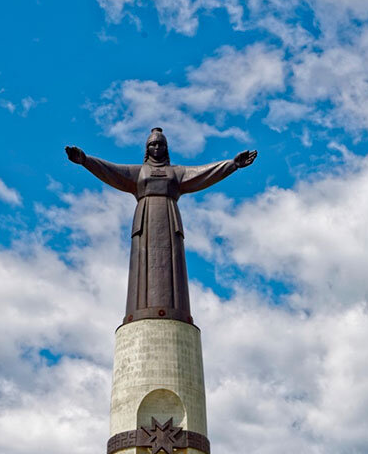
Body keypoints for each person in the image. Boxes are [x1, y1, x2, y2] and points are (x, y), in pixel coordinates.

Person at [66, 128, 256, 325]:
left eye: (160, 144)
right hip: (145, 220)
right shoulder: (138, 172)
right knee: (142, 266)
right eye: (152, 145)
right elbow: (110, 170)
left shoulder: (177, 172)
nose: (156, 148)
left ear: (166, 148)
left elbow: (204, 173)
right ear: (147, 149)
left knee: (172, 267)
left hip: (168, 219)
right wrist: (85, 161)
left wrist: (232, 164)